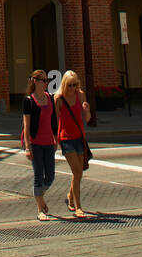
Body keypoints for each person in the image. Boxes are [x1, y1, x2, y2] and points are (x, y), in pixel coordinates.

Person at [55, 70, 91, 218]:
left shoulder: (80, 95)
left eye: (75, 85)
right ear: (64, 84)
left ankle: (70, 196)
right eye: (69, 85)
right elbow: (55, 120)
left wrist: (87, 111)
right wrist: (55, 139)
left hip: (79, 137)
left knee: (79, 173)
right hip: (66, 139)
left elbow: (87, 119)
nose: (72, 88)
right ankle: (78, 207)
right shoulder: (59, 98)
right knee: (77, 172)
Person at [23, 69, 58, 220]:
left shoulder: (50, 98)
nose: (46, 83)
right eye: (43, 80)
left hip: (49, 142)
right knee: (39, 176)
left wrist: (56, 138)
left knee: (50, 176)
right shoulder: (29, 100)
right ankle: (40, 210)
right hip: (36, 143)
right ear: (35, 82)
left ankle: (40, 196)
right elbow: (27, 125)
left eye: (47, 80)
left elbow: (53, 120)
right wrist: (27, 147)